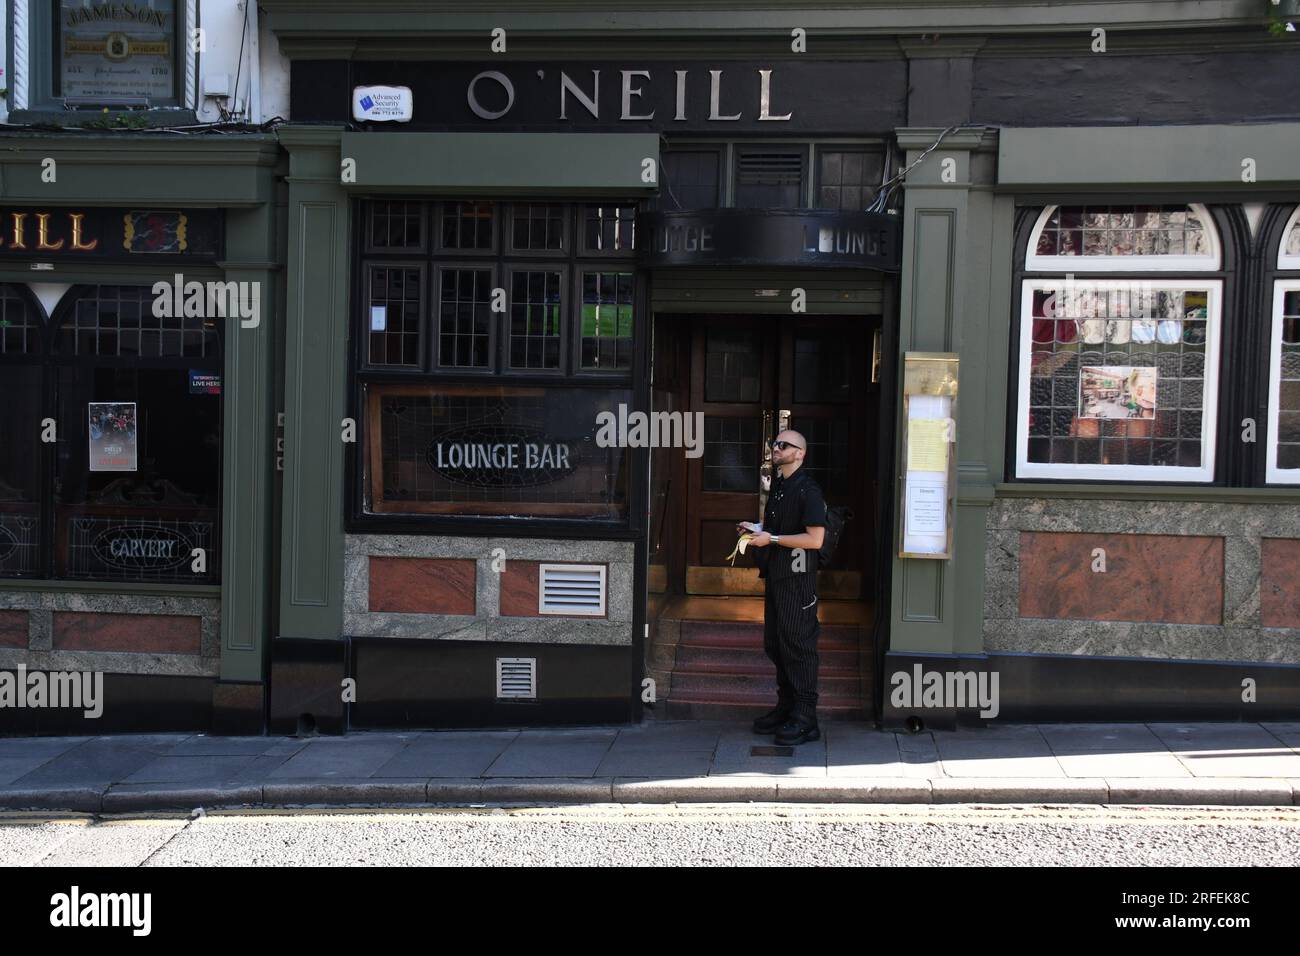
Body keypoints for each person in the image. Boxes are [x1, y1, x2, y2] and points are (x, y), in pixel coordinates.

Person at [739, 429, 827, 745]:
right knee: (775, 644)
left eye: (783, 445)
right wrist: (758, 530)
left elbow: (815, 539)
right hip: (777, 576)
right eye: (775, 443)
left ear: (799, 453)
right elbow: (779, 528)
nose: (776, 448)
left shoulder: (809, 490)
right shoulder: (778, 486)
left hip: (798, 581)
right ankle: (787, 707)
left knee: (798, 646)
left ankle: (806, 719)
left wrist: (772, 539)